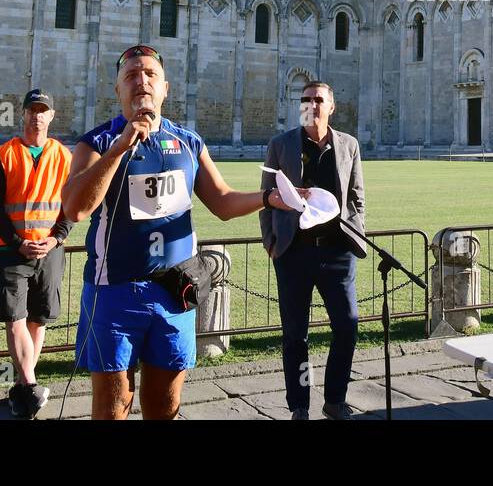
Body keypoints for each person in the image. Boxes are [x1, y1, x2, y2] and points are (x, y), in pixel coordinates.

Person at [61, 45, 300, 420]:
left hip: (175, 291)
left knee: (165, 404)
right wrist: (121, 148)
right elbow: (75, 207)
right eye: (131, 76)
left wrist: (270, 198)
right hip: (114, 292)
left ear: (165, 88)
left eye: (150, 74)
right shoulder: (97, 143)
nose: (141, 81)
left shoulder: (188, 142)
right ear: (118, 90)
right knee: (112, 407)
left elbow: (221, 201)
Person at [260, 80, 367, 420]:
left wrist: (355, 232)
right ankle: (299, 406)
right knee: (295, 335)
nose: (312, 104)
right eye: (305, 99)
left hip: (337, 252)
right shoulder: (281, 145)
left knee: (347, 326)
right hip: (294, 252)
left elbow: (356, 196)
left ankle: (335, 399)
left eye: (318, 99)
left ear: (331, 106)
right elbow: (266, 199)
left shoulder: (347, 145)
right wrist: (271, 242)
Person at [0, 89, 74, 418]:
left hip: (49, 250)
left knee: (39, 317)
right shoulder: (3, 155)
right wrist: (17, 241)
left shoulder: (64, 156)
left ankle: (24, 388)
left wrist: (57, 238)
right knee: (14, 317)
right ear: (22, 114)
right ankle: (31, 383)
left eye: (42, 110)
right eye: (31, 109)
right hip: (12, 249)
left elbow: (73, 206)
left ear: (51, 116)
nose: (37, 115)